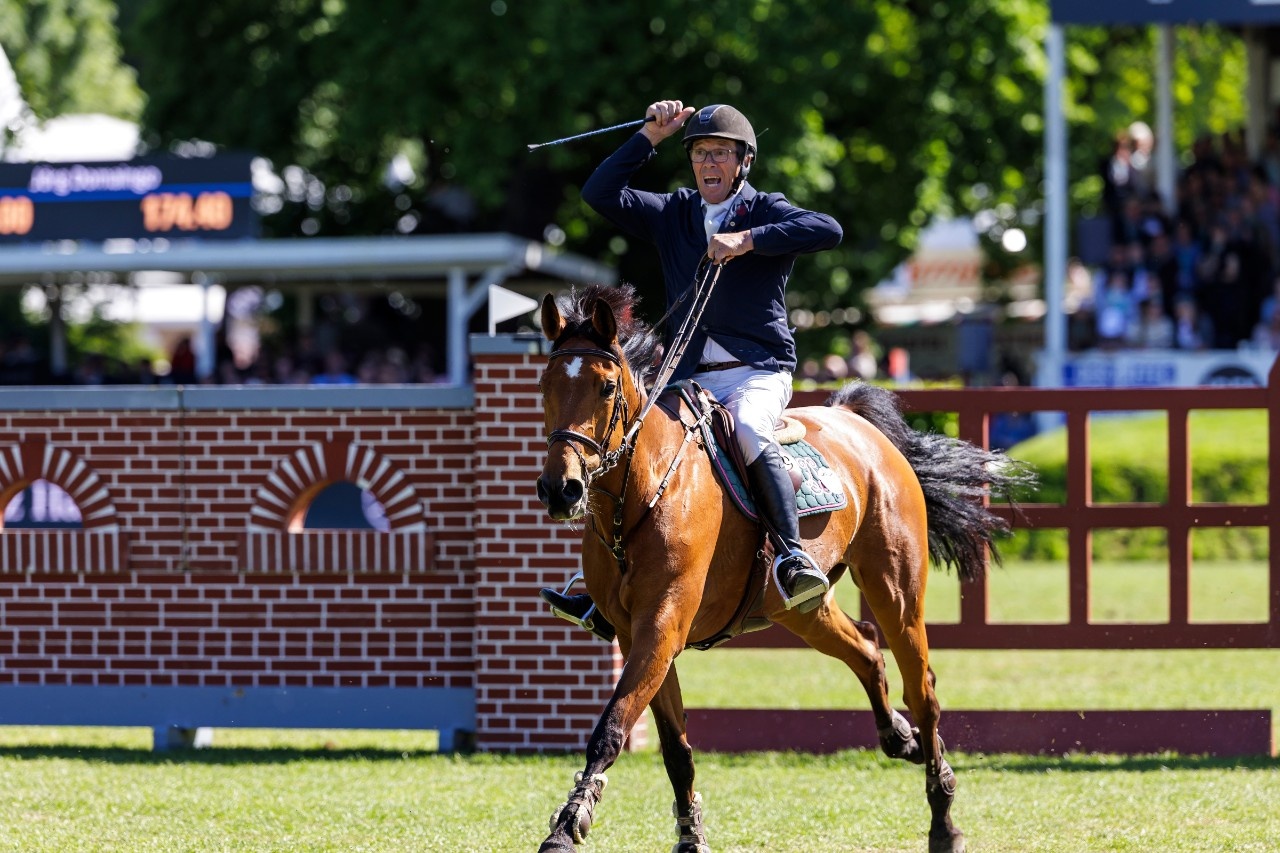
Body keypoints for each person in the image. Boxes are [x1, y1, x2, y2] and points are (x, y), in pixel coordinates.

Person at [541, 99, 843, 637]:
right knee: (630, 441)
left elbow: (829, 228)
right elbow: (599, 193)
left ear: (743, 162)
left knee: (747, 430)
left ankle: (792, 556)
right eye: (701, 152)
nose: (709, 162)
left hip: (756, 370)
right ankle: (600, 584)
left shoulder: (765, 209)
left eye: (721, 153)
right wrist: (649, 137)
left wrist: (748, 240)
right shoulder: (674, 211)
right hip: (686, 376)